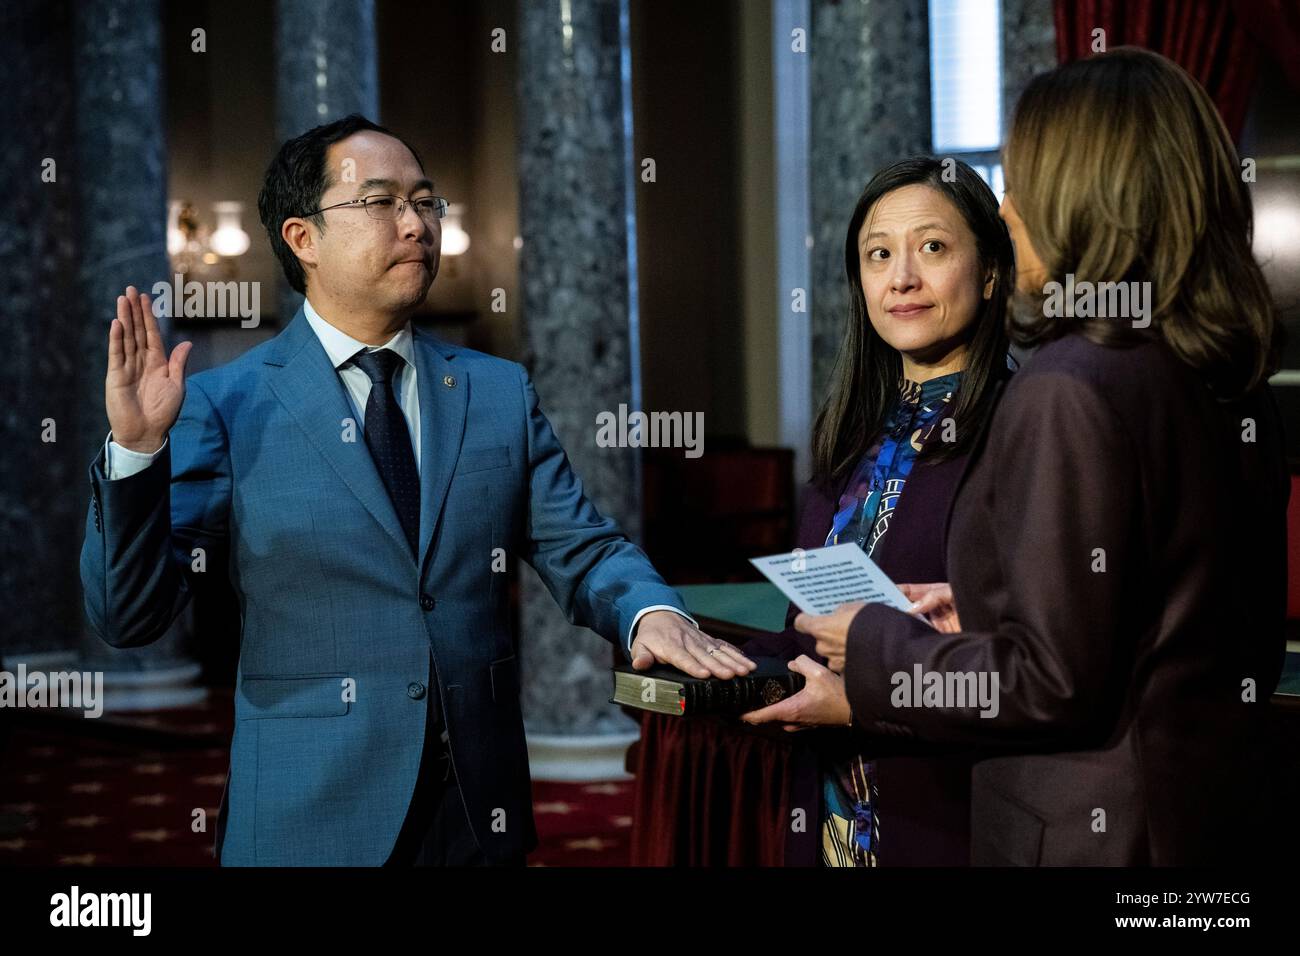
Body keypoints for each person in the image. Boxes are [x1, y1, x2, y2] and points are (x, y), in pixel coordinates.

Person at [80, 113, 754, 866]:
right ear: (302, 239)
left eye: (426, 201)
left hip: (473, 809)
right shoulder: (227, 405)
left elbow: (582, 546)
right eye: (381, 202)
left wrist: (648, 613)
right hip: (310, 817)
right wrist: (138, 451)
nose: (416, 224)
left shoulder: (495, 392)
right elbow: (129, 615)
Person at [744, 47, 1288, 865]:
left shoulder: (1066, 387)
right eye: (877, 254)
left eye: (1023, 178)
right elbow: (1151, 625)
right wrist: (987, 613)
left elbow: (1052, 682)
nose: (1010, 204)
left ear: (1084, 196)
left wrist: (877, 648)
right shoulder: (1223, 377)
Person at [742, 156, 1013, 865]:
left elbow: (1034, 673)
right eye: (878, 255)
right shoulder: (852, 430)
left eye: (933, 247)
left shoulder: (1025, 427)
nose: (902, 280)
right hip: (828, 807)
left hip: (949, 815)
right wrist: (704, 658)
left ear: (988, 271)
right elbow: (807, 633)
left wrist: (866, 700)